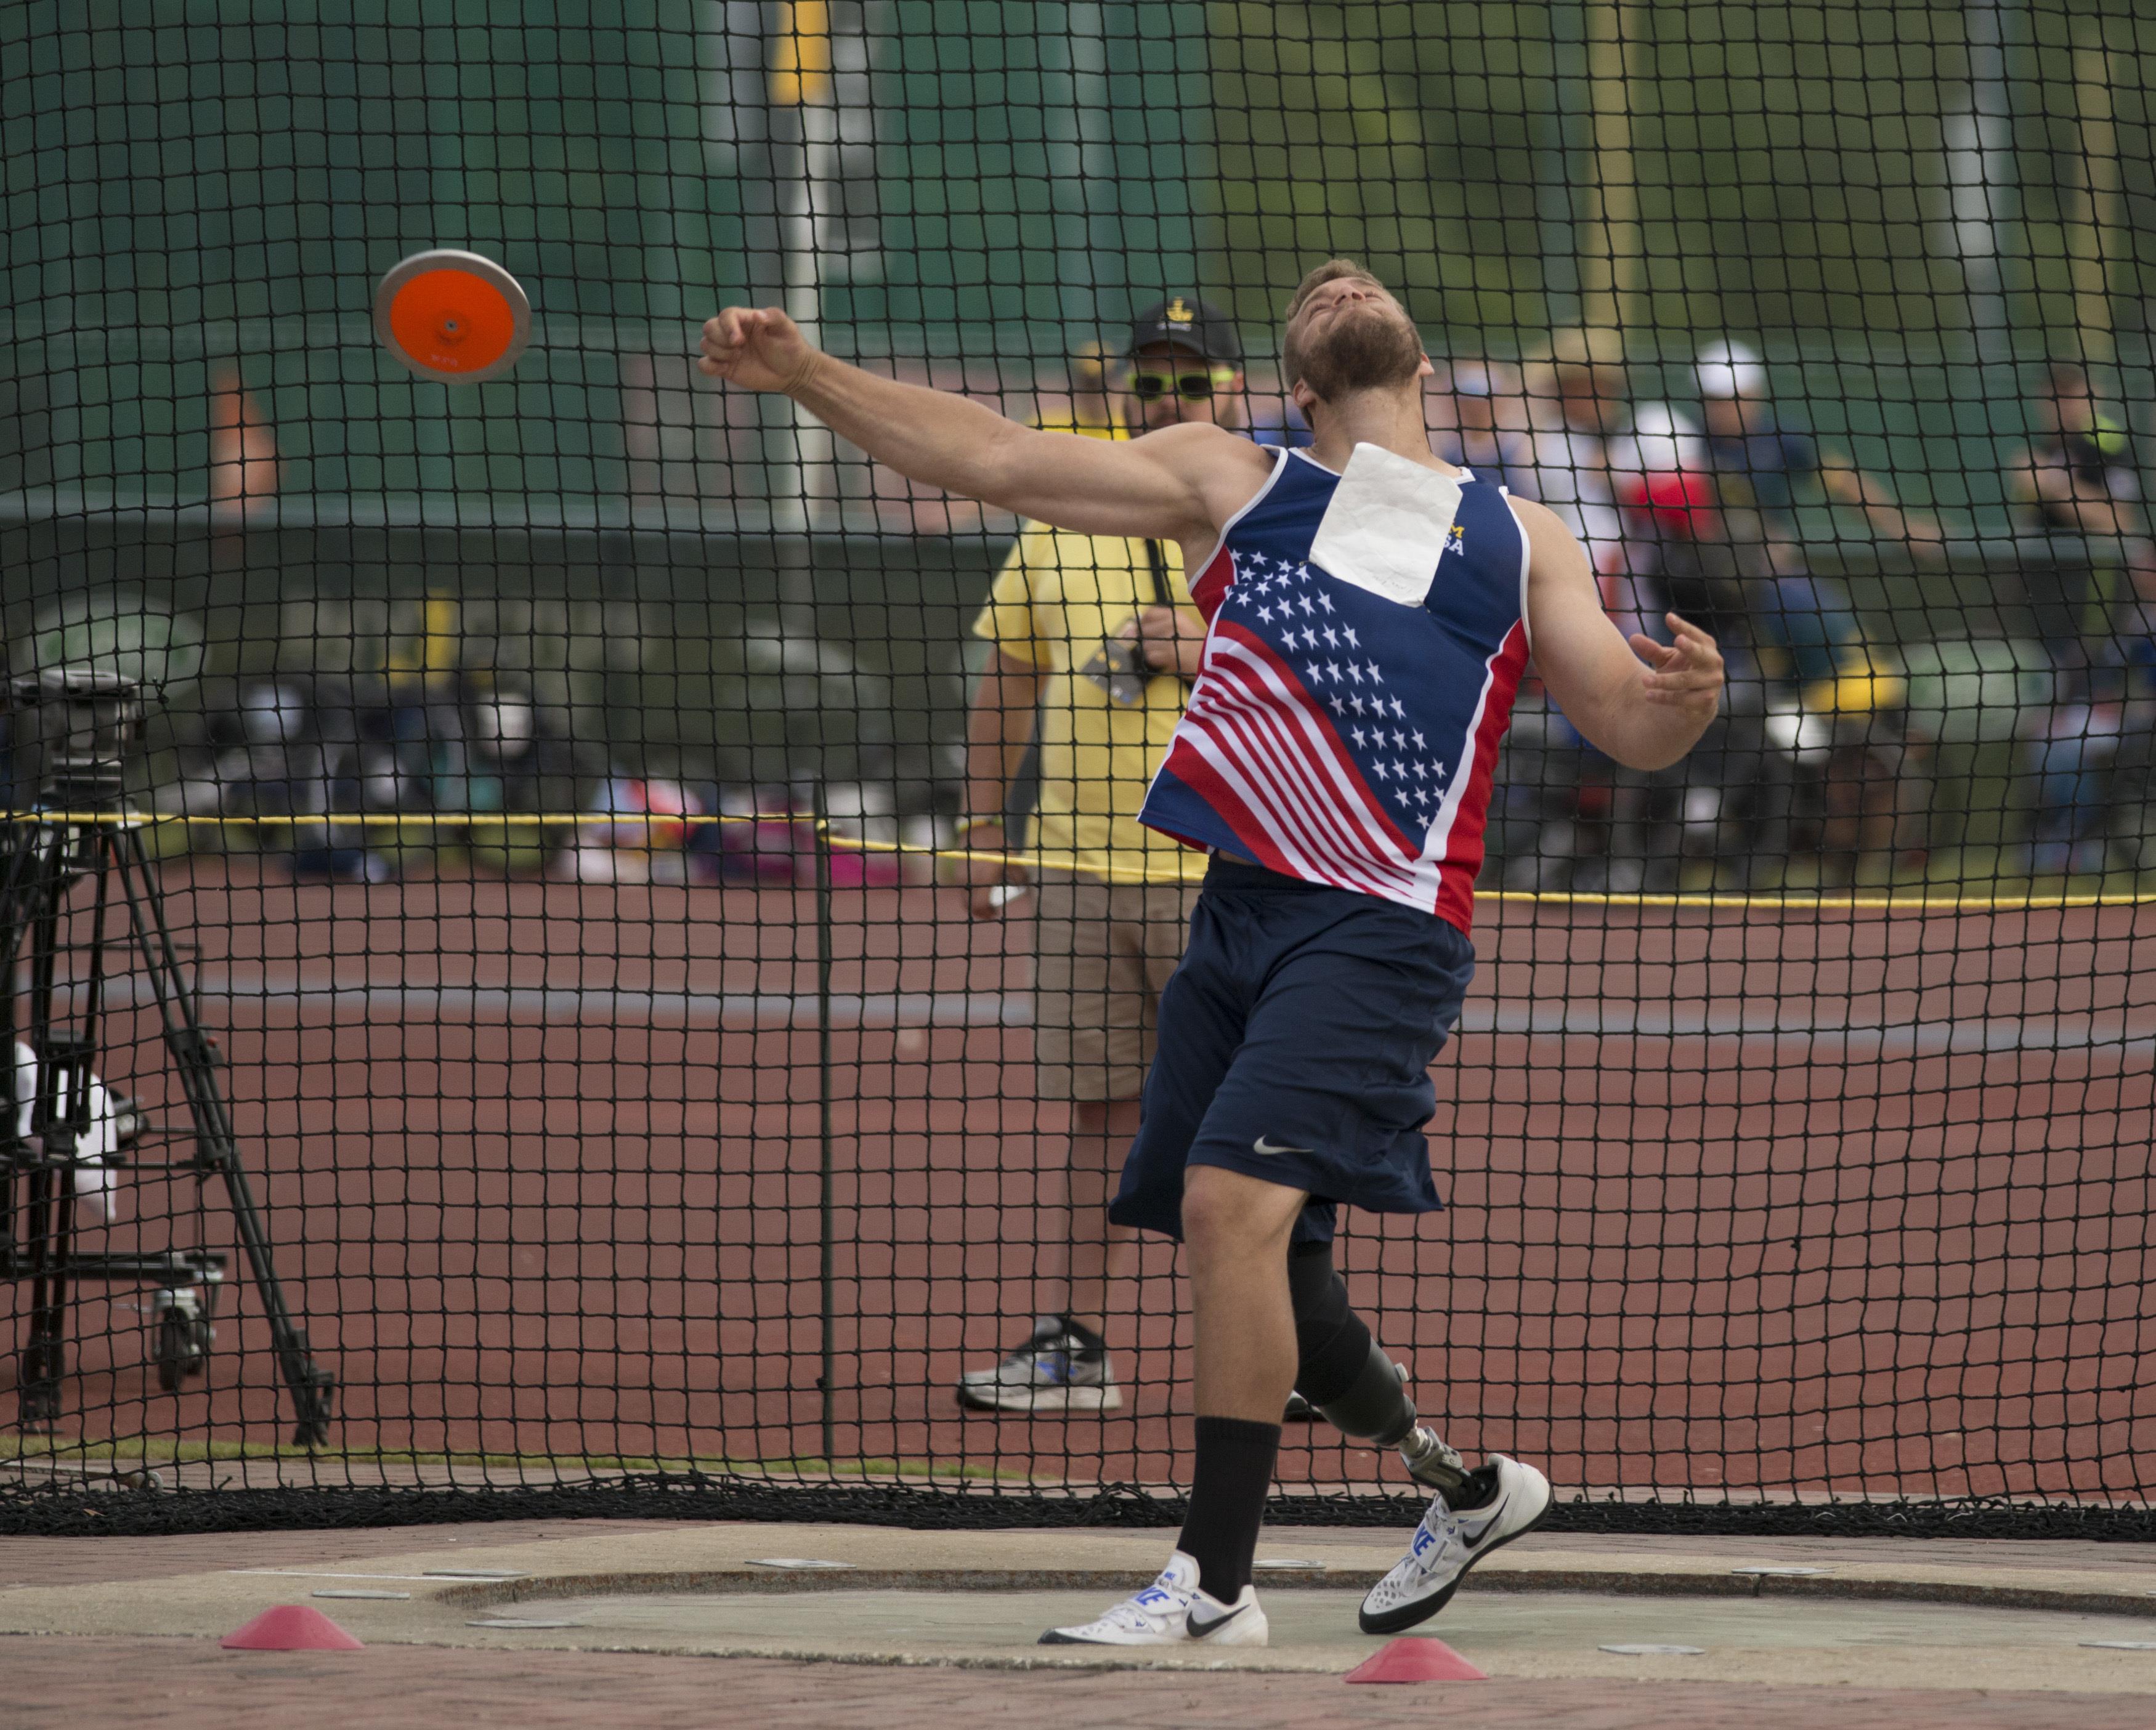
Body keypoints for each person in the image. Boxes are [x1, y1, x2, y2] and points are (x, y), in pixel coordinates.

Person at [699, 259, 1723, 1648]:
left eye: (1354, 279)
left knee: (1230, 1210)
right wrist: (809, 377)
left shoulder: (1521, 533)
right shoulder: (1235, 479)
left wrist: (1688, 707)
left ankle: (1214, 1586)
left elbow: (1627, 721)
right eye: (1312, 289)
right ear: (1300, 383)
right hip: (1235, 911)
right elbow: (997, 457)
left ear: (1410, 359)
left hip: (1379, 925)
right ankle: (1466, 1489)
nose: (1338, 279)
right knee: (1280, 1276)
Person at [953, 296, 1239, 1413]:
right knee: (1098, 1111)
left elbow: (1330, 670)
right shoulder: (1065, 509)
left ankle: (1294, 1346)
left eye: (1191, 381)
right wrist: (984, 828)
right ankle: (1076, 1346)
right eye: (1152, 379)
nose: (1168, 399)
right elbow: (1009, 681)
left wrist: (1204, 641)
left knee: (1250, 1119)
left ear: (1232, 390)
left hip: (1229, 869)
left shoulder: (1270, 510)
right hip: (1079, 869)